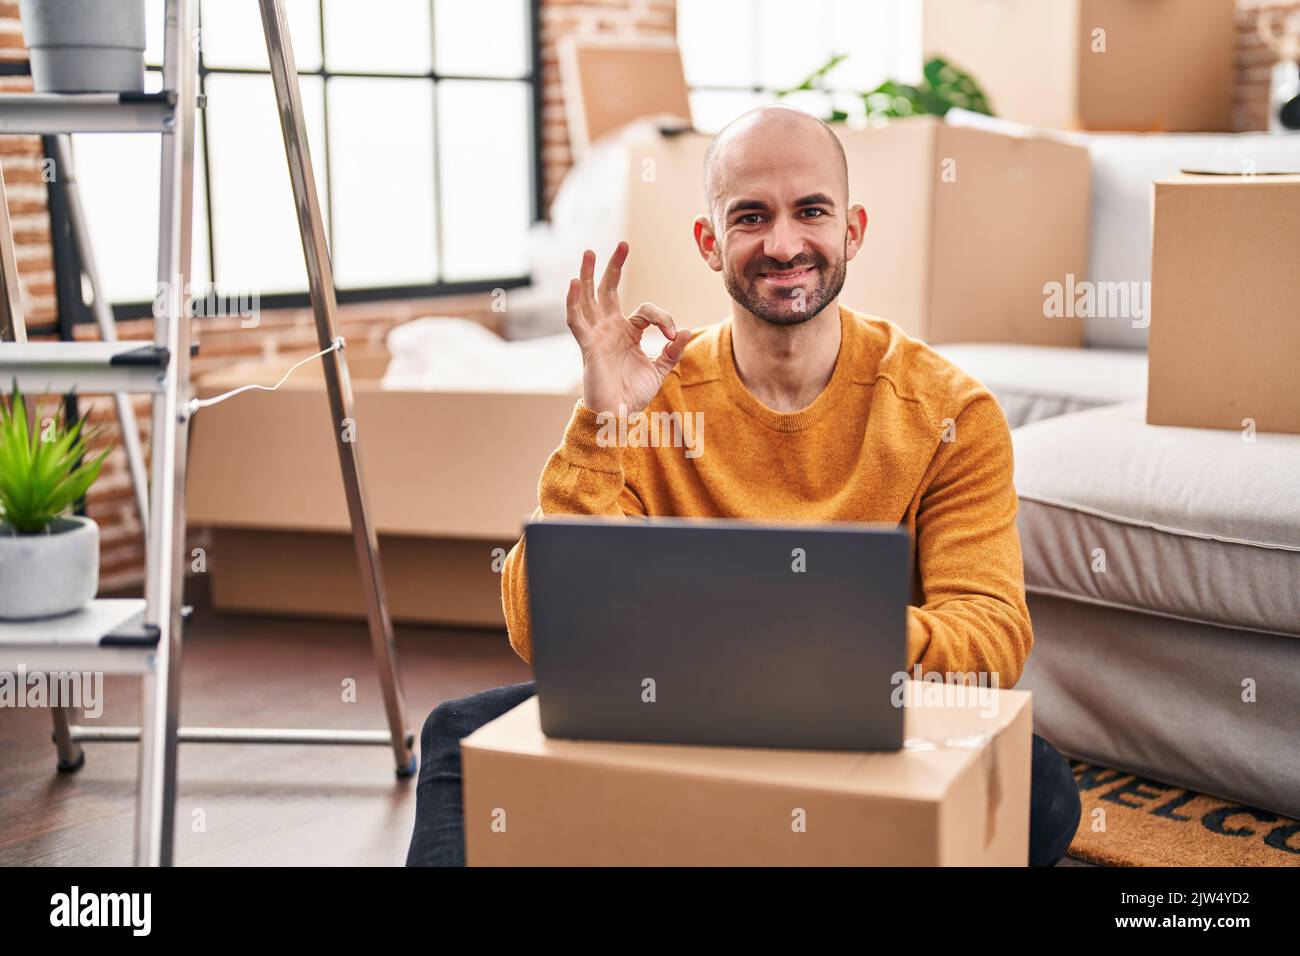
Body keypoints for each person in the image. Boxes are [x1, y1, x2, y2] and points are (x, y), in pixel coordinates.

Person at [407, 104, 1082, 867]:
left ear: (852, 230)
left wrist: (822, 638)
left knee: (1040, 785)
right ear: (709, 241)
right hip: (675, 708)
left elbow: (991, 638)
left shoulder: (950, 413)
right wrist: (601, 420)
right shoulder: (651, 399)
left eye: (812, 211)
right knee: (459, 740)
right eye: (751, 216)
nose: (785, 243)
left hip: (865, 716)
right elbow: (545, 629)